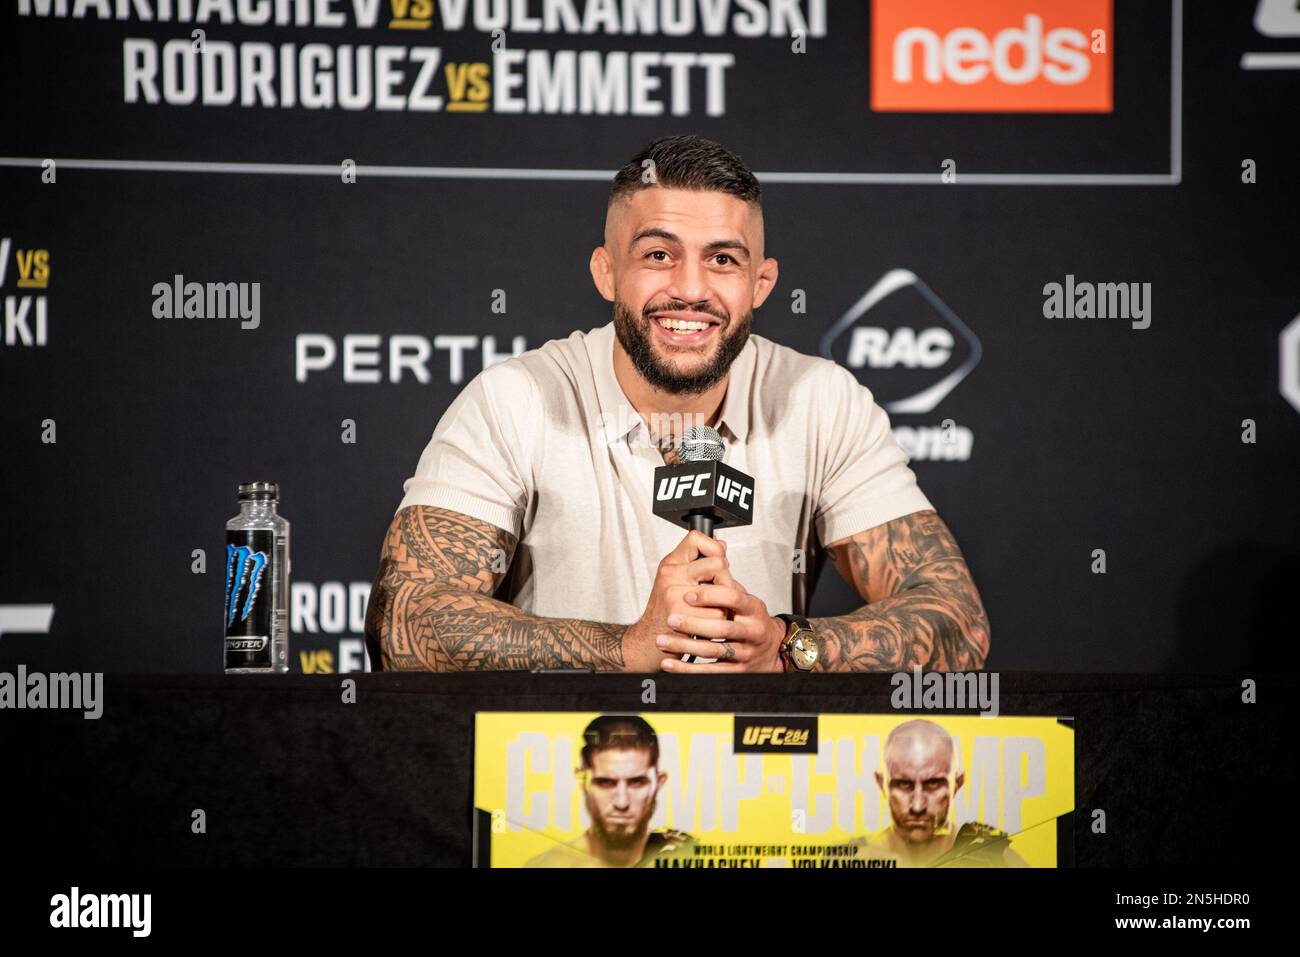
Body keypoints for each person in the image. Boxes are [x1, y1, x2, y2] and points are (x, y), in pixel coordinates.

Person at [364, 133, 989, 673]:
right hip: (566, 776)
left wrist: (786, 647)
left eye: (723, 260)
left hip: (755, 775)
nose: (690, 290)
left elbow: (959, 620)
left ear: (761, 284)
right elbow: (404, 624)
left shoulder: (821, 400)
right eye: (658, 255)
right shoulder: (516, 400)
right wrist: (628, 650)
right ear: (607, 272)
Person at [850, 719, 1028, 867]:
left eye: (933, 784)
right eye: (904, 784)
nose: (918, 805)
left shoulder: (1000, 859)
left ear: (957, 784)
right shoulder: (851, 858)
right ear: (882, 784)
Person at [525, 715, 693, 868]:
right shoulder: (547, 865)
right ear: (583, 781)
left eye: (637, 782)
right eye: (605, 783)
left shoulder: (688, 857)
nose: (622, 802)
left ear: (659, 783)